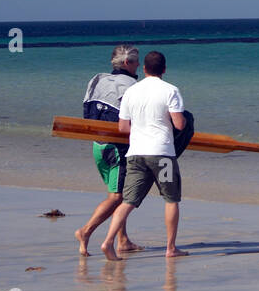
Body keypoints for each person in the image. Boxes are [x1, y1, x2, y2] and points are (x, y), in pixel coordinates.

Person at [101, 51, 188, 259]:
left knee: (128, 201)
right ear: (164, 70)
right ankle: (170, 248)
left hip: (136, 154)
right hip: (162, 155)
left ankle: (107, 242)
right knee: (171, 199)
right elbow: (179, 124)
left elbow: (123, 127)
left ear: (145, 69)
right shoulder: (171, 90)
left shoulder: (132, 91)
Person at [74, 45, 142, 257]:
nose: (138, 64)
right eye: (135, 61)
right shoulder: (133, 85)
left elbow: (87, 110)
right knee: (117, 197)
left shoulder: (96, 79)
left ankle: (123, 240)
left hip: (97, 144)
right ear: (126, 63)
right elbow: (132, 119)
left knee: (116, 194)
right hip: (117, 148)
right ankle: (85, 232)